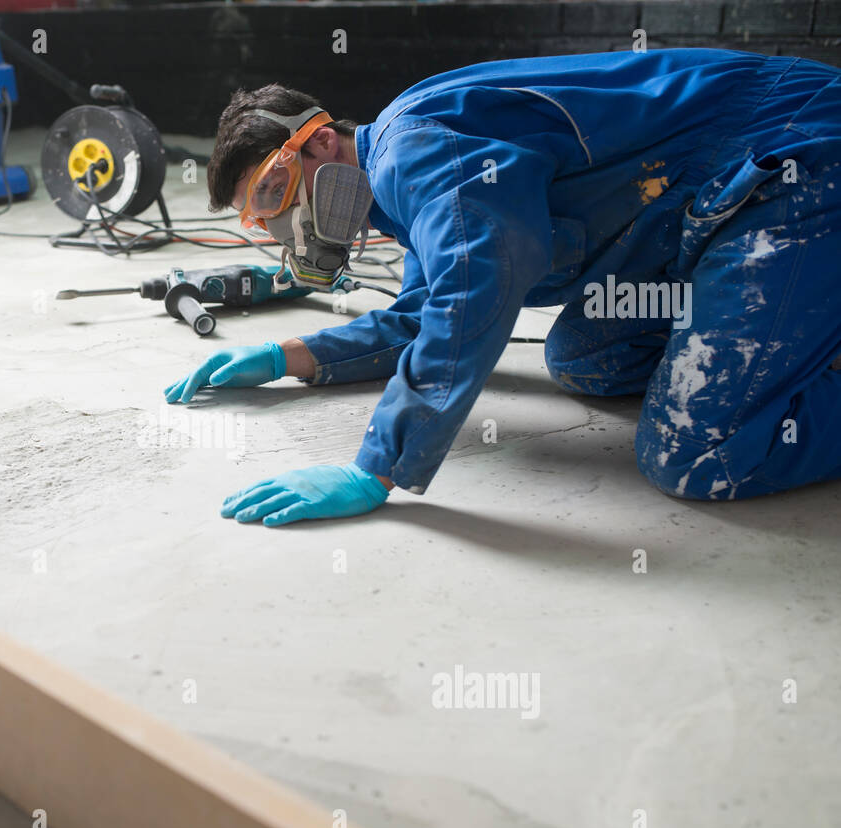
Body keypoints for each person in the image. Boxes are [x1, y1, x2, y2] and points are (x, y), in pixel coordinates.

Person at [165, 49, 841, 527]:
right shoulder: (398, 191)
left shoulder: (412, 153)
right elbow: (423, 315)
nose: (287, 224)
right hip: (694, 210)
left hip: (790, 158)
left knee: (696, 452)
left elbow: (472, 286)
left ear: (317, 145)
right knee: (584, 357)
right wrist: (291, 357)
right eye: (265, 215)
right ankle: (798, 332)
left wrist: (377, 467)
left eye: (278, 191)